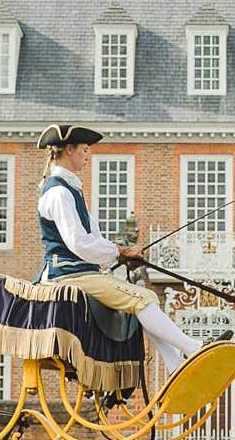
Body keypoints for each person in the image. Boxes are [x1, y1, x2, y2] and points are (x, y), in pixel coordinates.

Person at [34, 123, 211, 375]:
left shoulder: (71, 191)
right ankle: (192, 349)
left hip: (81, 271)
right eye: (84, 149)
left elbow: (93, 237)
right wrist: (119, 252)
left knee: (141, 298)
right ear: (69, 150)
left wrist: (119, 256)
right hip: (68, 275)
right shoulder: (59, 193)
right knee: (144, 298)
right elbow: (79, 243)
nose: (87, 154)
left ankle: (175, 363)